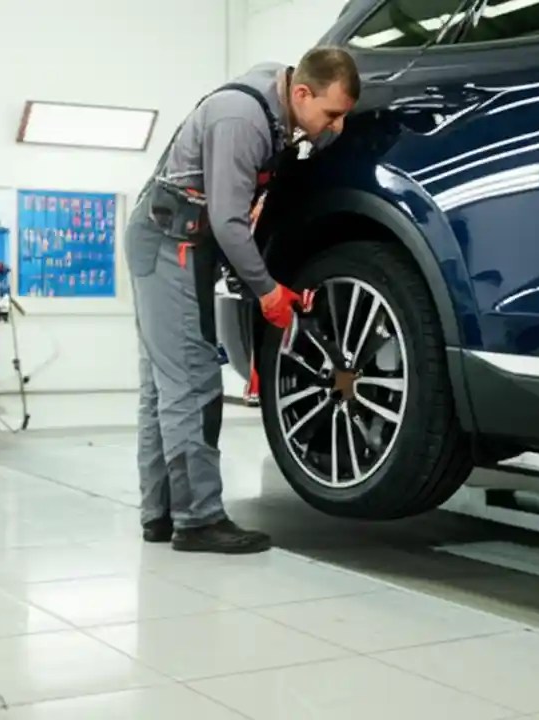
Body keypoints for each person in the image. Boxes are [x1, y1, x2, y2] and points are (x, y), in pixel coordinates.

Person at [126, 47, 361, 554]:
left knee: (163, 386)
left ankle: (161, 513)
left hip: (172, 238)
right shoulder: (243, 119)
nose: (335, 128)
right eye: (332, 115)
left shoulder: (274, 110)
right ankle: (198, 519)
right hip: (172, 243)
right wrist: (269, 292)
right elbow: (231, 223)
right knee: (191, 382)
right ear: (301, 92)